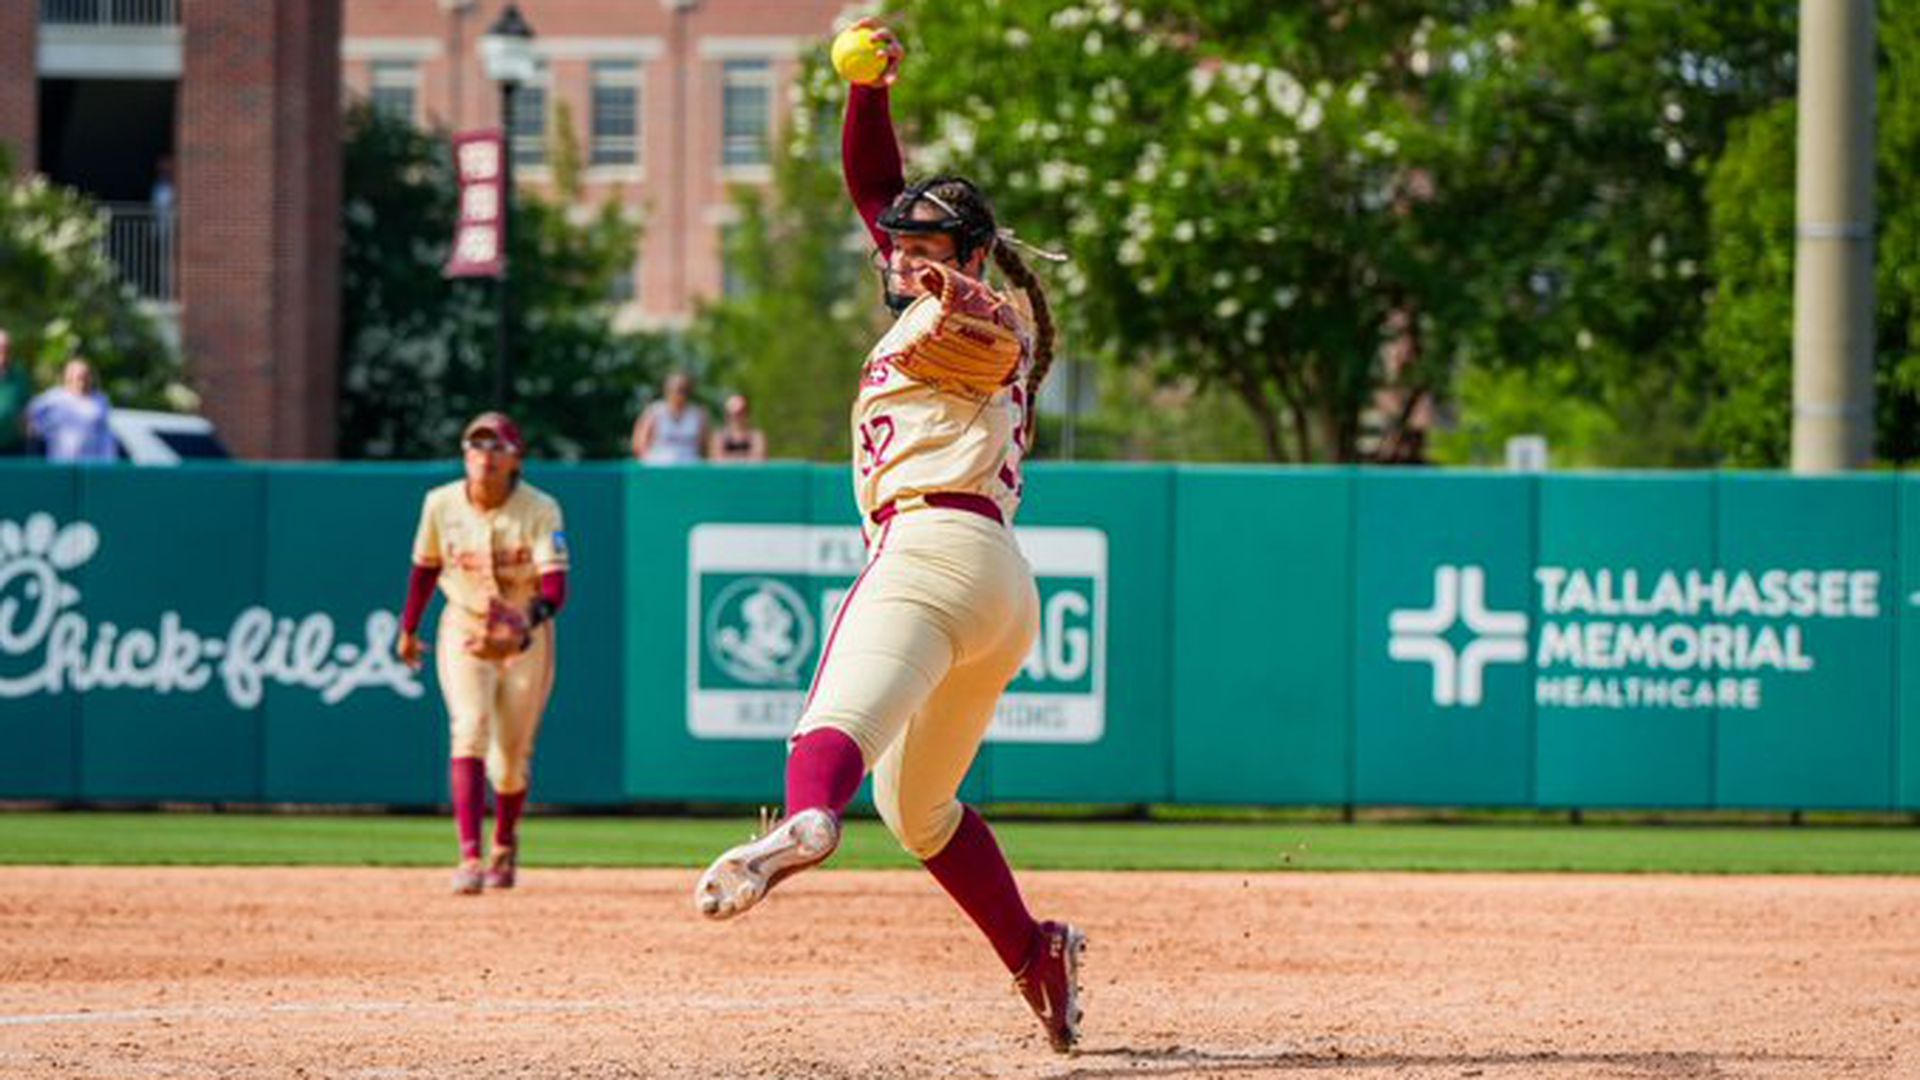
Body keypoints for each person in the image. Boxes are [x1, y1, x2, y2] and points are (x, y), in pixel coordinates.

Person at [691, 22, 1083, 1053]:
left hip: (933, 554)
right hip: (999, 589)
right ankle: (1036, 955)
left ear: (972, 256)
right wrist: (870, 93)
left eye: (926, 247)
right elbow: (877, 190)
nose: (903, 254)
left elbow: (994, 334)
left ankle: (807, 820)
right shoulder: (921, 296)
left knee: (834, 727)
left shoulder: (967, 321)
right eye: (901, 245)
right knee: (921, 813)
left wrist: (961, 289)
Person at [397, 412, 570, 894]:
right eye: (477, 444)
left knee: (511, 759)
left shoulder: (540, 508)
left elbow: (556, 588)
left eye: (497, 446)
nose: (485, 455)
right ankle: (470, 858)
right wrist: (409, 629)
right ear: (465, 454)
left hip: (523, 634)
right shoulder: (440, 504)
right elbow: (425, 570)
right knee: (469, 729)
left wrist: (523, 624)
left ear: (516, 458)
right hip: (465, 627)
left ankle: (504, 843)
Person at [27, 358, 116, 463]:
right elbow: (30, 414)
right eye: (79, 377)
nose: (83, 380)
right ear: (68, 377)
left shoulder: (101, 400)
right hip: (61, 462)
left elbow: (106, 434)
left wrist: (109, 460)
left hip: (91, 465)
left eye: (86, 376)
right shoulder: (54, 397)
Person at [629, 371, 709, 464]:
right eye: (676, 389)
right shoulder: (654, 412)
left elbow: (706, 447)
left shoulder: (698, 414)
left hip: (690, 467)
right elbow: (639, 445)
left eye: (684, 389)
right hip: (659, 466)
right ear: (667, 390)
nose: (680, 393)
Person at [706, 393, 767, 463]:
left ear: (747, 413)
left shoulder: (757, 437)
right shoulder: (718, 437)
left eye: (740, 412)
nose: (736, 417)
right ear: (726, 415)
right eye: (732, 413)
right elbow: (718, 462)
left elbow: (758, 461)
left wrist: (730, 458)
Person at [0, 330, 32, 457]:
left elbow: (27, 409)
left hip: (14, 446)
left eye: (7, 349)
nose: (3, 354)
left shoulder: (20, 376)